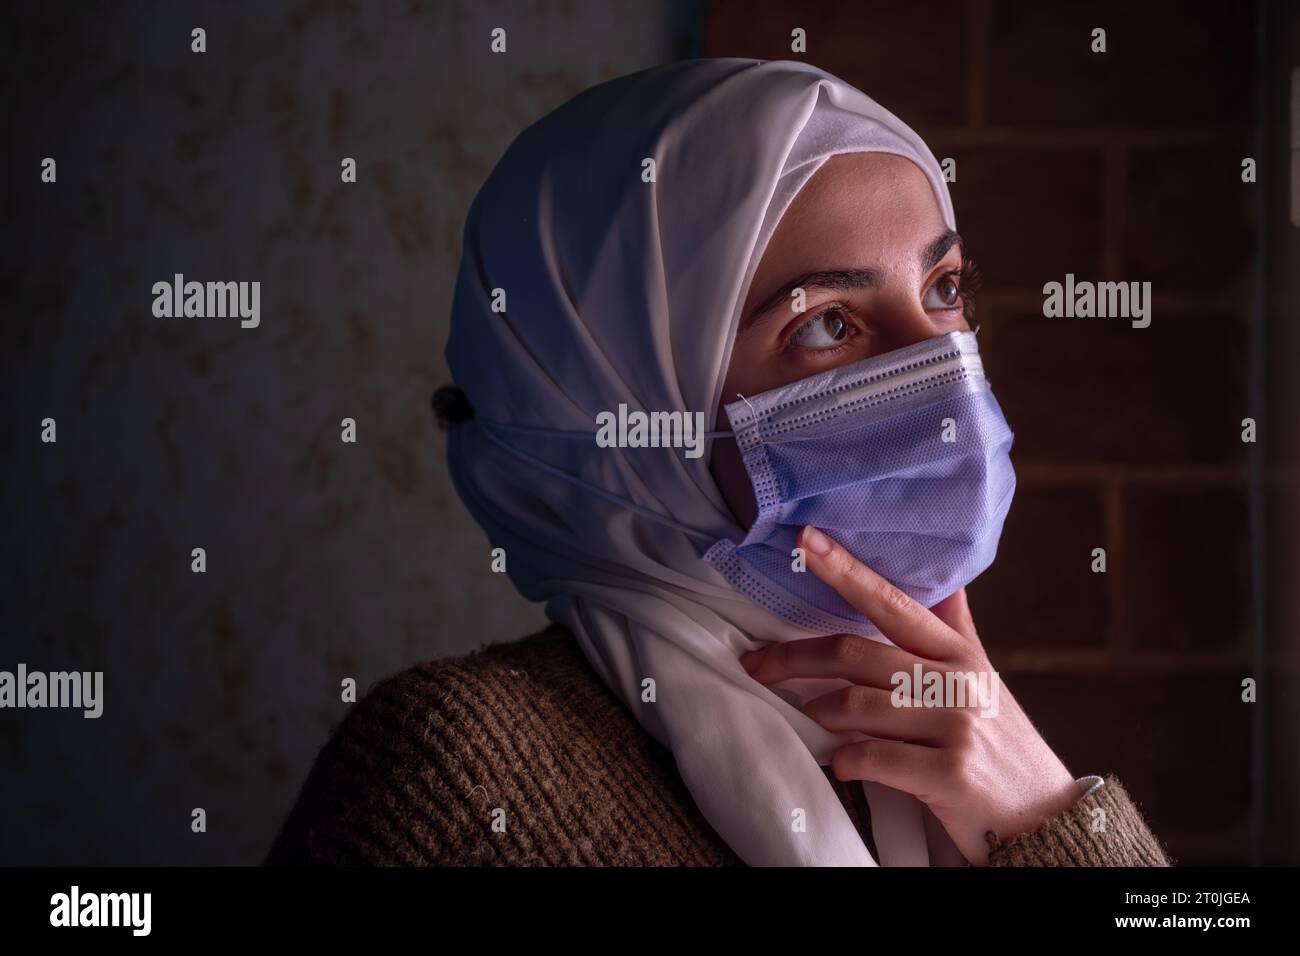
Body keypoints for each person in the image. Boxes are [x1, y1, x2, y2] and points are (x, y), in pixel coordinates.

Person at [265, 58, 1171, 867]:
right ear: (620, 400)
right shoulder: (450, 775)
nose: (941, 375)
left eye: (944, 289)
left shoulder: (957, 729)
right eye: (827, 324)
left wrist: (1046, 818)